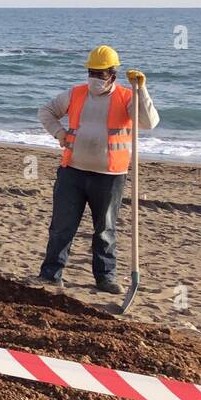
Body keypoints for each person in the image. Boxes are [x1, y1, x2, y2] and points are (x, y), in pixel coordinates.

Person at [36, 45, 159, 293]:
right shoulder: (76, 94)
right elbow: (46, 111)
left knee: (105, 229)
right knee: (61, 227)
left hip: (110, 176)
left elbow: (149, 122)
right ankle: (50, 274)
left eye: (100, 73)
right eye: (92, 72)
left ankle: (105, 278)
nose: (95, 78)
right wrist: (59, 133)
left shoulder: (127, 97)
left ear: (112, 74)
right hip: (72, 171)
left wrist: (141, 89)